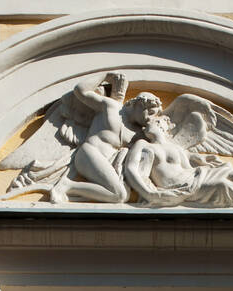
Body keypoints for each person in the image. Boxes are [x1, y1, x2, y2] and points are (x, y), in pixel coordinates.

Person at [50, 73, 162, 204]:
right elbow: (81, 91)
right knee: (119, 195)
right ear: (141, 105)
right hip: (90, 154)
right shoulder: (111, 107)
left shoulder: (140, 133)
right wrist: (105, 75)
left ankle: (76, 190)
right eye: (151, 113)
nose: (150, 119)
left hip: (110, 165)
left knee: (122, 195)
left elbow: (158, 150)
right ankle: (67, 186)